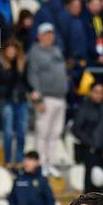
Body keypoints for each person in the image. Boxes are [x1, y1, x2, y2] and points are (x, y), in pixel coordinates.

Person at [26, 23, 67, 177]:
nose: (49, 36)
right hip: (46, 97)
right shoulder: (35, 52)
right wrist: (38, 100)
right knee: (43, 132)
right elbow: (33, 75)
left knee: (55, 134)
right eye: (46, 34)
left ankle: (50, 163)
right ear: (39, 36)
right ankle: (41, 164)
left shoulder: (56, 50)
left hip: (60, 97)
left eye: (51, 33)